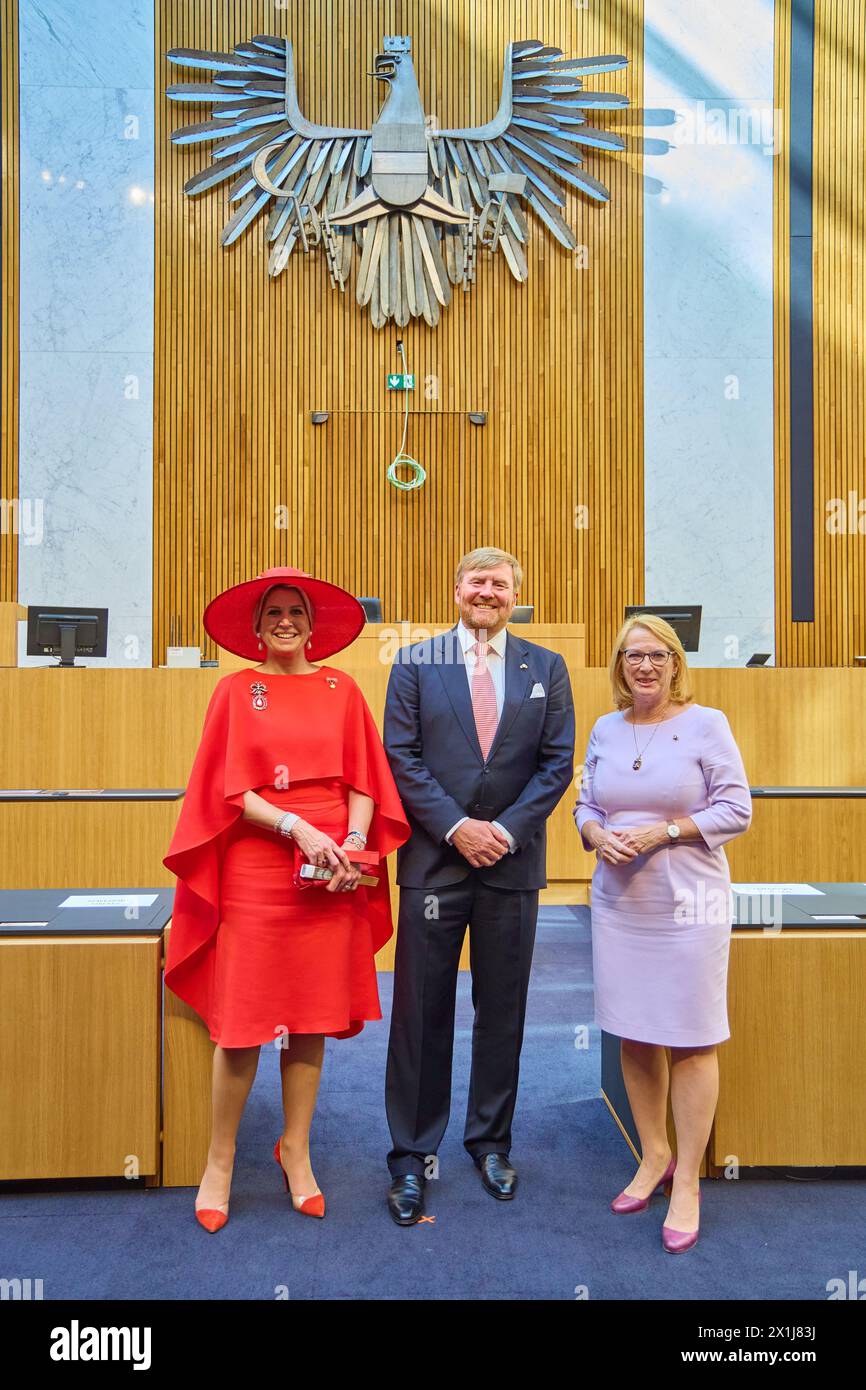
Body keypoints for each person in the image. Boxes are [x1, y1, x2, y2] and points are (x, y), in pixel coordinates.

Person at [163, 566, 410, 1232]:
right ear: (257, 626)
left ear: (311, 622)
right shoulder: (235, 692)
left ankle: (295, 1151)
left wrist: (352, 845)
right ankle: (220, 1160)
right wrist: (297, 826)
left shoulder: (341, 688)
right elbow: (227, 791)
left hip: (330, 869)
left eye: (294, 610)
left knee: (309, 1015)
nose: (284, 620)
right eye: (272, 611)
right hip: (257, 864)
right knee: (243, 1023)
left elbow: (366, 779)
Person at [382, 546, 575, 1224]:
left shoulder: (545, 668)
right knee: (421, 1013)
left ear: (515, 595)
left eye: (499, 583)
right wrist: (459, 826)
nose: (487, 591)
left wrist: (505, 831)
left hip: (512, 866)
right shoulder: (415, 661)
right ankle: (411, 1156)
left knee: (502, 1011)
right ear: (456, 589)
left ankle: (491, 1141)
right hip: (435, 864)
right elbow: (400, 757)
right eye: (477, 581)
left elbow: (556, 765)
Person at [573, 613, 751, 1253]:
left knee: (692, 1036)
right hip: (622, 903)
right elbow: (586, 803)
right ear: (620, 665)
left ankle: (689, 1182)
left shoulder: (707, 724)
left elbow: (736, 809)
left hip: (689, 904)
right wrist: (595, 833)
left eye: (656, 655)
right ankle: (653, 1156)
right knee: (634, 1031)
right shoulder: (606, 728)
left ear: (676, 662)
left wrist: (664, 831)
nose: (643, 666)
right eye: (631, 656)